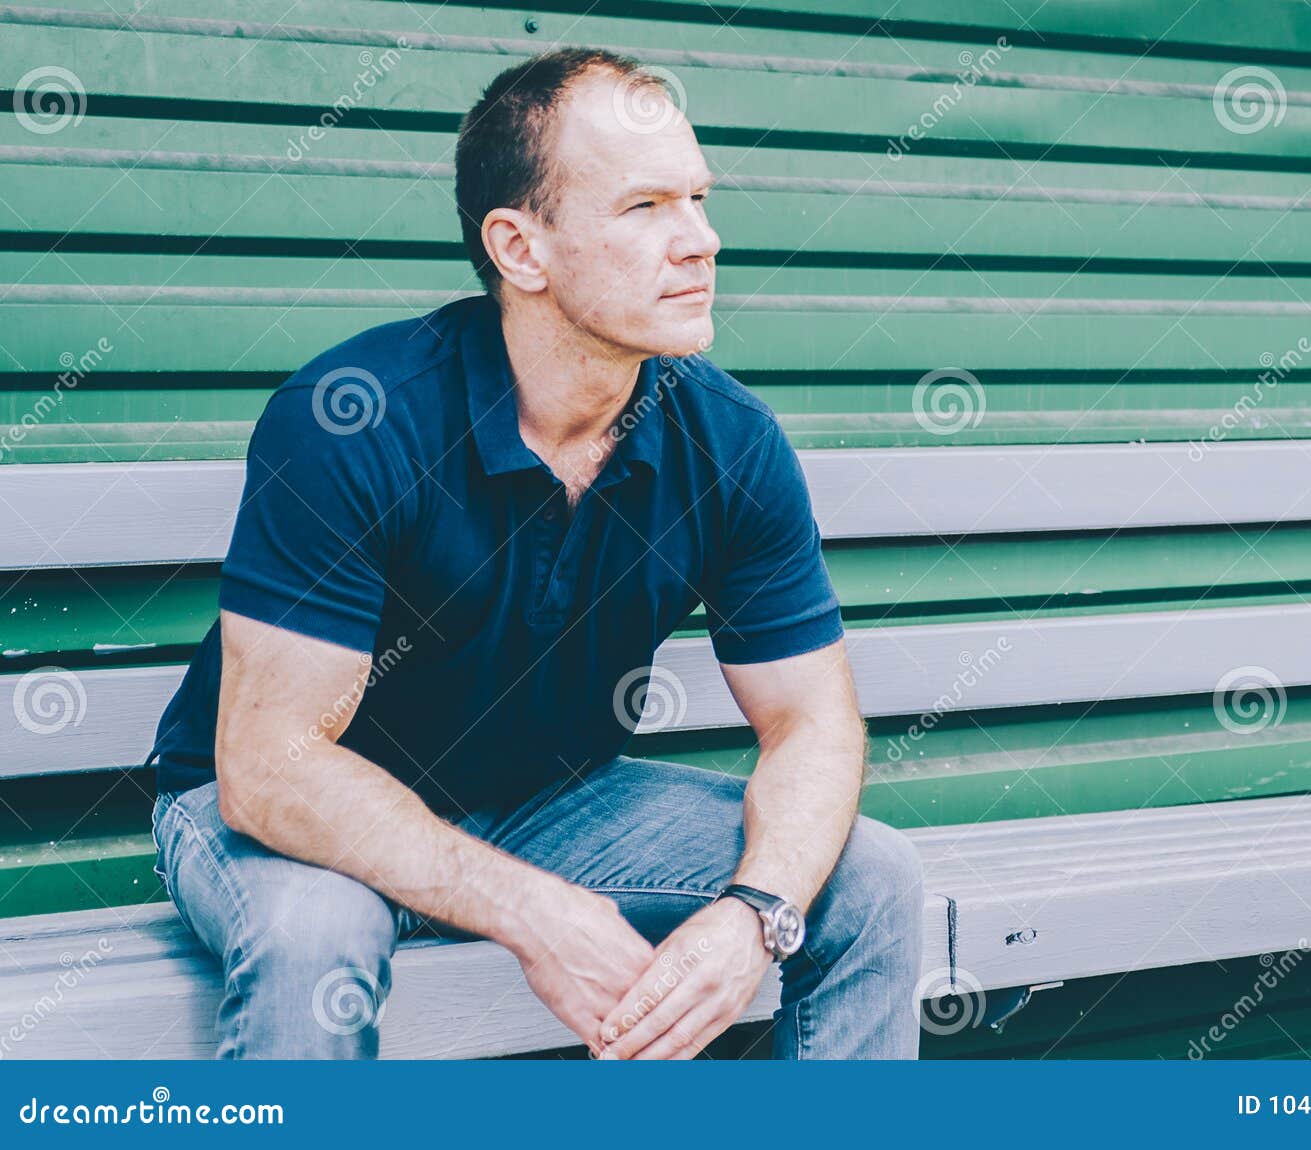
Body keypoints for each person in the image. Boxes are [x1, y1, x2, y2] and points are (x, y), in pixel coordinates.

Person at [144, 46, 924, 1060]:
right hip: (285, 809)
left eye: (697, 198)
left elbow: (813, 721)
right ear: (521, 248)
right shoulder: (354, 419)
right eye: (645, 208)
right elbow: (270, 769)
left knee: (869, 878)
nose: (701, 240)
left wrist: (754, 914)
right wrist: (535, 911)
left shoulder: (729, 441)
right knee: (313, 933)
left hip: (545, 803)